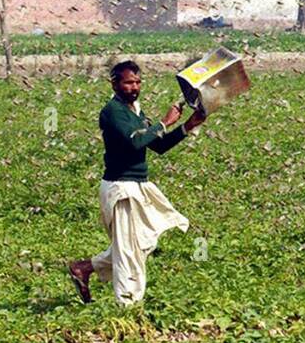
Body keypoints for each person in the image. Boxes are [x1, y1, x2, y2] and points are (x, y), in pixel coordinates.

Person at [68, 60, 206, 305]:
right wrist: (164, 123)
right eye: (129, 82)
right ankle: (127, 307)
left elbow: (158, 145)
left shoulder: (136, 113)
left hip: (137, 185)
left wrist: (187, 126)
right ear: (115, 84)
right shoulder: (113, 113)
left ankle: (84, 268)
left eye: (138, 82)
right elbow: (134, 142)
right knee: (129, 252)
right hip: (121, 188)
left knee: (139, 243)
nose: (134, 87)